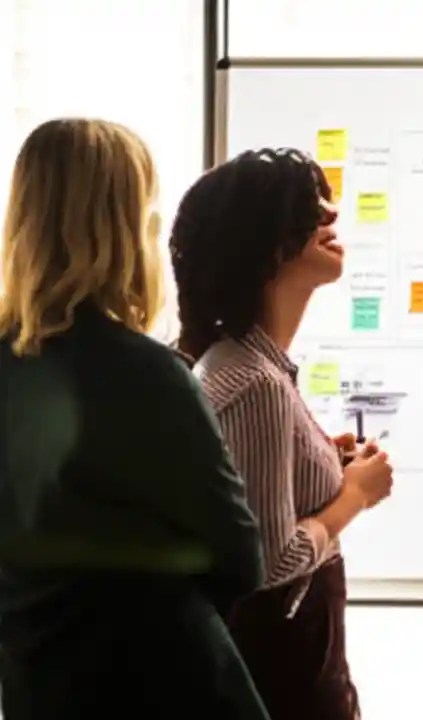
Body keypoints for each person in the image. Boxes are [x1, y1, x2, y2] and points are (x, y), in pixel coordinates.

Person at [0, 119, 268, 719]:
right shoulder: (145, 373)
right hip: (168, 683)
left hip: (38, 688)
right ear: (126, 227)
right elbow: (241, 556)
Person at [170, 147, 394, 720]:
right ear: (262, 245)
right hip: (287, 684)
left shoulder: (245, 365)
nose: (332, 215)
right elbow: (271, 561)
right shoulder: (255, 381)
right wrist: (355, 495)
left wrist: (324, 465)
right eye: (308, 207)